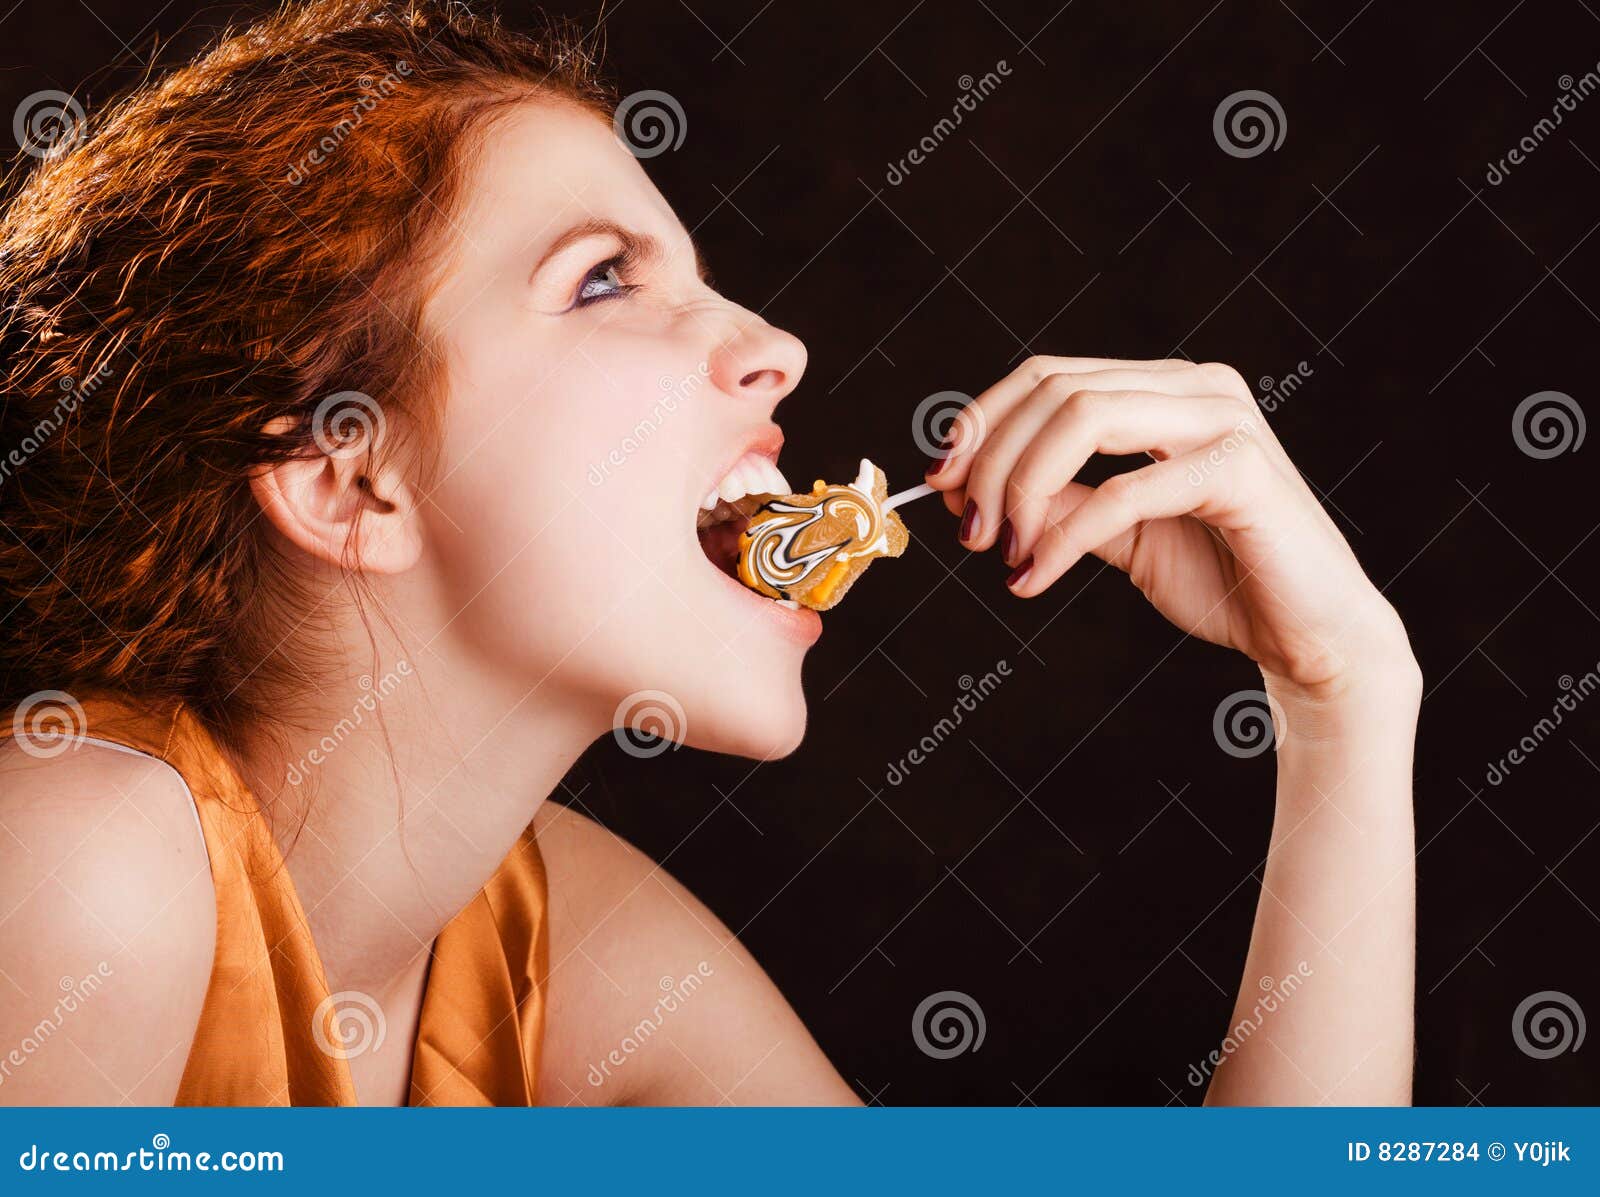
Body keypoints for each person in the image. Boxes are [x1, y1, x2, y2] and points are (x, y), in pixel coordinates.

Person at [0, 0, 1419, 1105]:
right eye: (605, 278)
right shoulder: (80, 855)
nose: (777, 349)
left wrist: (1346, 698)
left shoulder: (570, 947)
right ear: (348, 472)